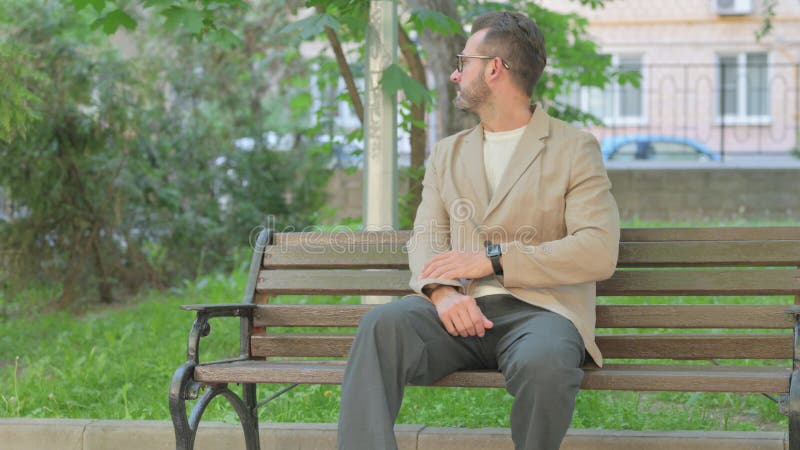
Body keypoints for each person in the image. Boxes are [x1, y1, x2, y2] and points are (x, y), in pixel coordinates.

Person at [338, 10, 620, 450]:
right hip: (458, 310)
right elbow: (427, 237)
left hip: (543, 314)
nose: (454, 73)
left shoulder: (574, 148)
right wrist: (441, 291)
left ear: (494, 68)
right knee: (381, 326)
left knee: (545, 365)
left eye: (463, 61)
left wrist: (492, 259)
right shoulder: (448, 153)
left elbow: (598, 249)